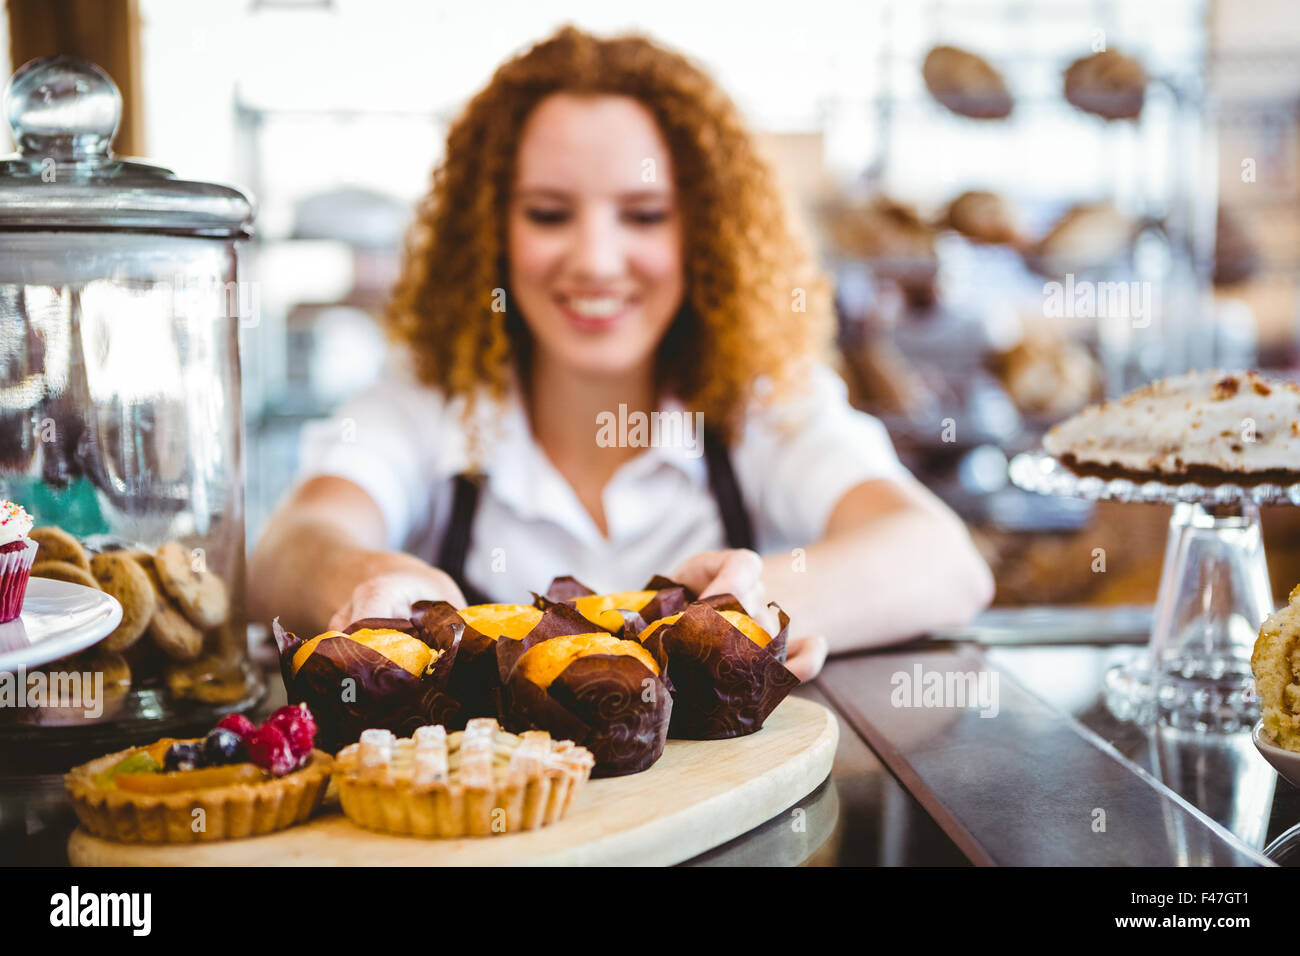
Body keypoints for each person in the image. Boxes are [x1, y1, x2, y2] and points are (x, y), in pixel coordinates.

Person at [248, 27, 993, 681]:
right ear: (490, 231)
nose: (597, 261)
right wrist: (373, 576)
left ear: (703, 233)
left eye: (643, 215)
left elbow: (941, 561)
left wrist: (746, 606)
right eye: (548, 213)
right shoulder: (432, 398)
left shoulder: (761, 406)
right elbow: (287, 550)